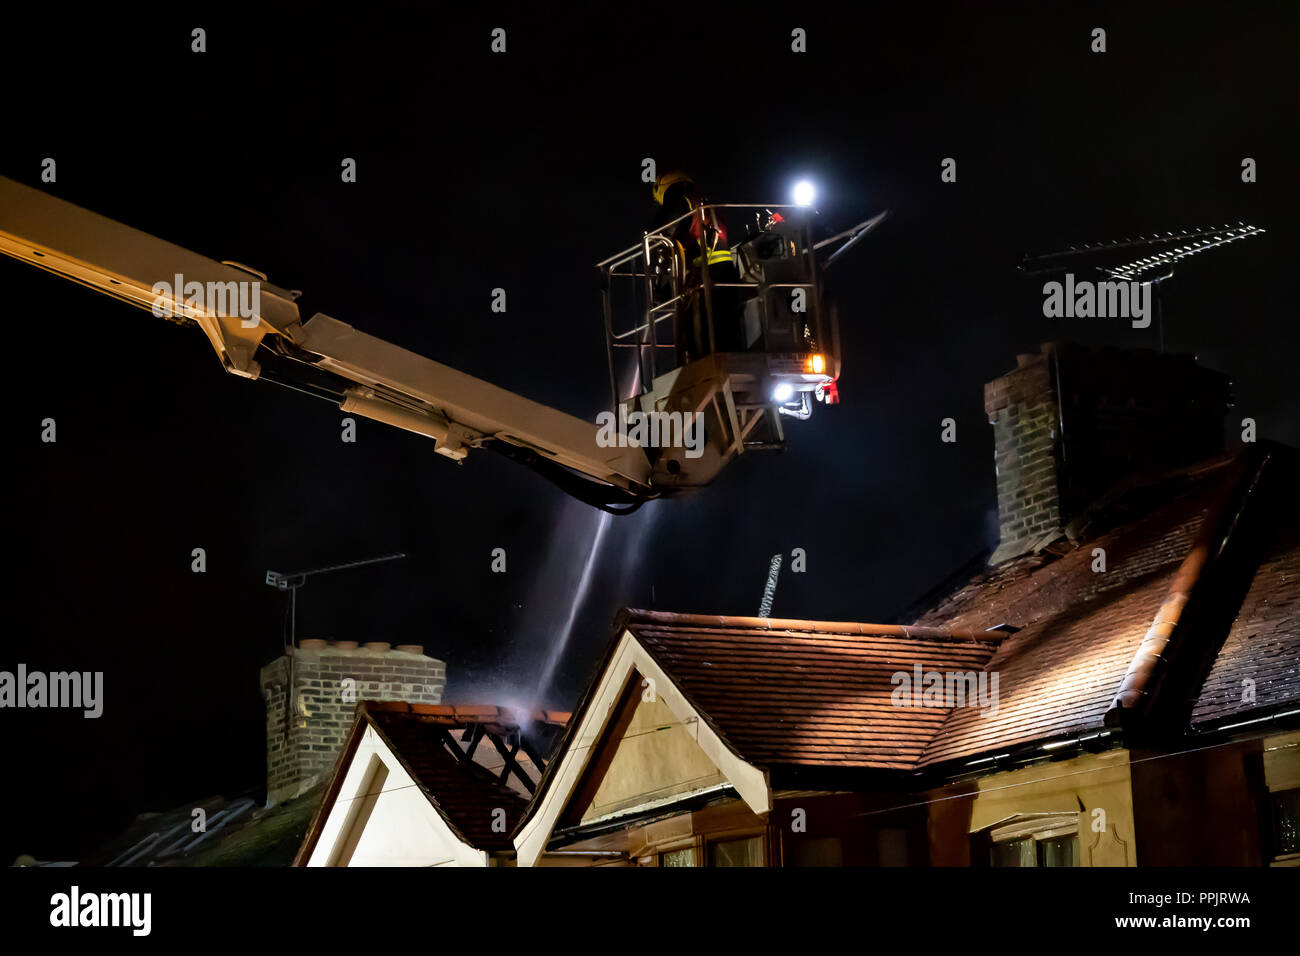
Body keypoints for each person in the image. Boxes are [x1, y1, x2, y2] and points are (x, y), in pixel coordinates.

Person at [650, 171, 743, 362]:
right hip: (725, 279)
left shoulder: (678, 202)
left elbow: (664, 234)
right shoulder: (704, 204)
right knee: (728, 340)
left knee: (702, 349)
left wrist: (661, 288)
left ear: (662, 188)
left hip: (703, 287)